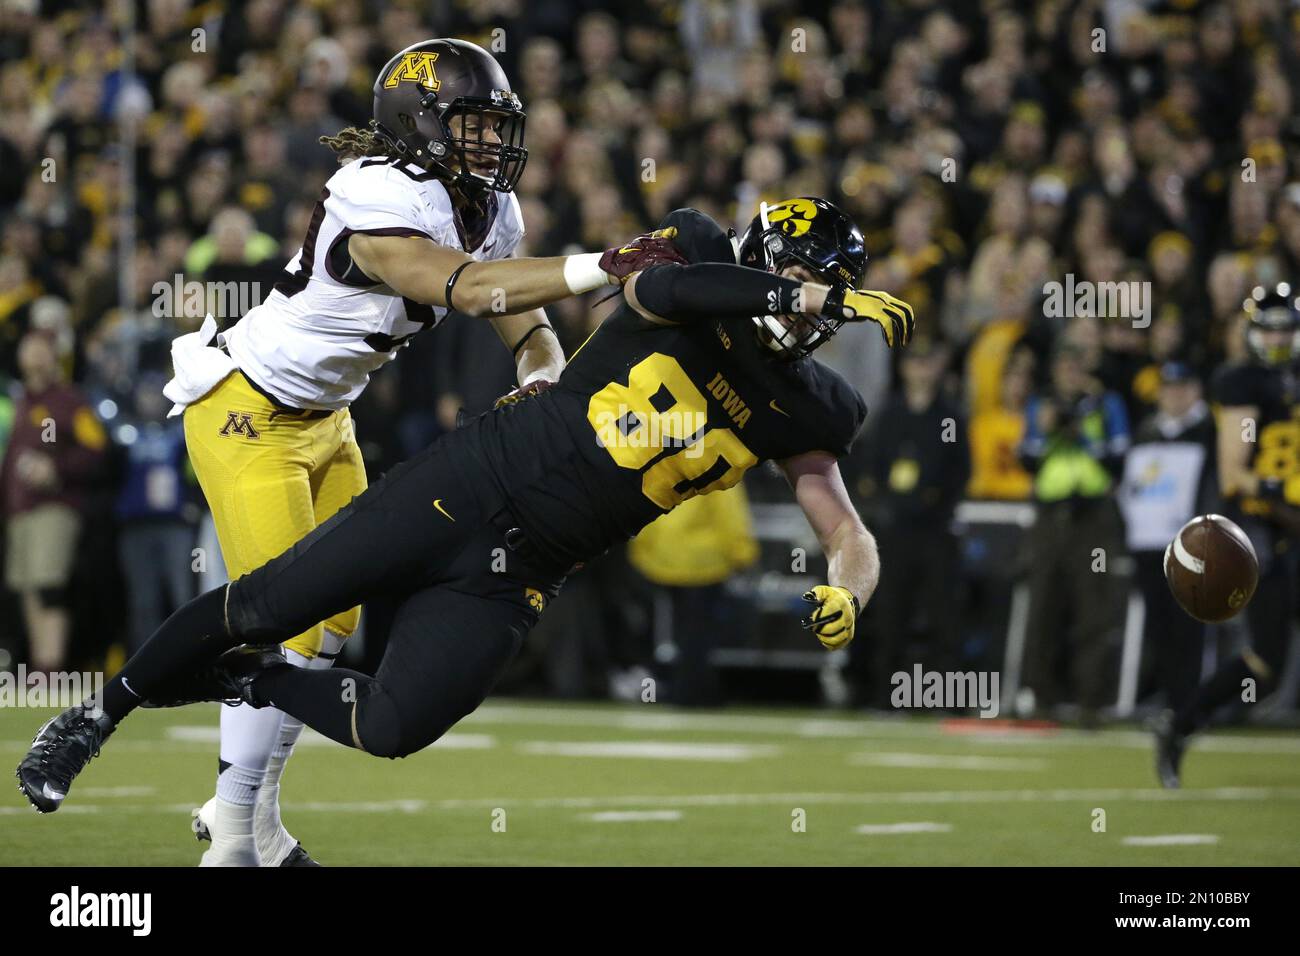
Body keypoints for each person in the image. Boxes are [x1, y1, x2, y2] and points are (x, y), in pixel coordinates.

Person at [17, 200, 915, 837]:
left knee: (394, 726)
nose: (810, 302)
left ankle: (246, 681)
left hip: (528, 569)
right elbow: (660, 296)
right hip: (472, 482)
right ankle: (93, 719)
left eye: (827, 289)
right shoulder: (692, 249)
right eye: (796, 279)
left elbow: (845, 529)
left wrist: (851, 588)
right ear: (759, 264)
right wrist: (801, 297)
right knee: (266, 601)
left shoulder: (815, 405)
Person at [161, 37, 685, 866]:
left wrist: (542, 367)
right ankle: (229, 830)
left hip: (329, 420)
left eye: (494, 126)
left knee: (331, 624)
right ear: (419, 124)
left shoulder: (489, 209)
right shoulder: (374, 192)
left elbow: (521, 319)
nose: (490, 144)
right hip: (247, 407)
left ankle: (254, 820)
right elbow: (473, 289)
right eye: (472, 124)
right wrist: (607, 265)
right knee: (283, 613)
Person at [1155, 283, 1300, 787]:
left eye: (1287, 327)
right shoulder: (1241, 382)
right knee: (1265, 666)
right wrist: (1285, 487)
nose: (1280, 337)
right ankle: (1181, 724)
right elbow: (1236, 470)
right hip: (1264, 530)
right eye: (1271, 327)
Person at [0, 331, 107, 674]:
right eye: (27, 348)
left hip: (54, 506)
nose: (33, 356)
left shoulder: (69, 400)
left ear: (53, 356)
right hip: (19, 509)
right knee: (28, 587)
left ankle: (51, 665)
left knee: (49, 587)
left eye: (40, 350)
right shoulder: (19, 401)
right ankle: (40, 665)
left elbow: (96, 450)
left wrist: (56, 467)